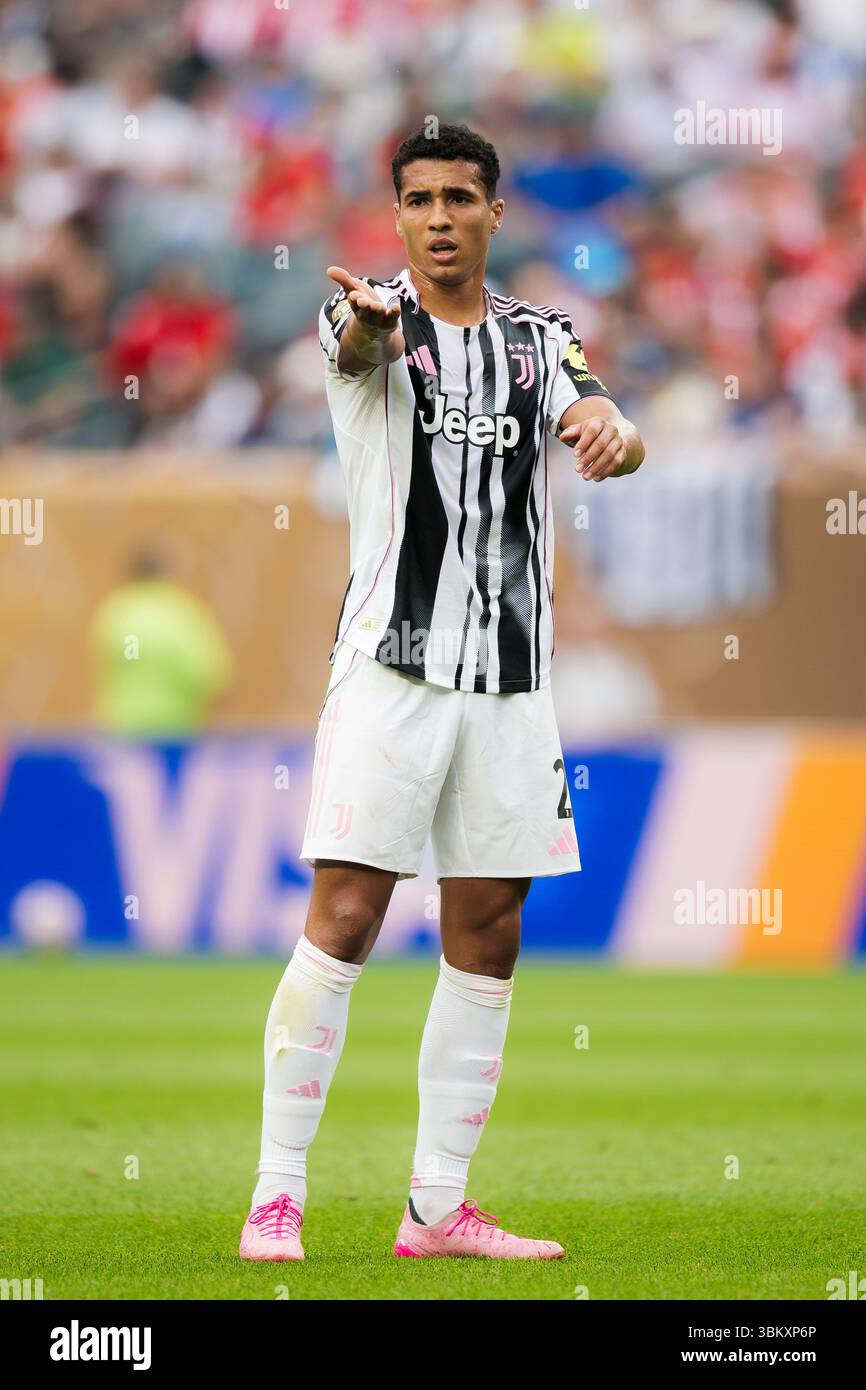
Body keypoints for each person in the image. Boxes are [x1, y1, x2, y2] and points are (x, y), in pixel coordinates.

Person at [239, 124, 644, 1263]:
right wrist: (366, 322)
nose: (436, 217)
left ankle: (436, 1205)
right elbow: (348, 346)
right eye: (416, 199)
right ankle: (277, 1193)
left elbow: (607, 414)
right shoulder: (364, 319)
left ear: (493, 212)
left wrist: (617, 430)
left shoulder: (539, 336)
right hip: (391, 672)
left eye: (458, 197)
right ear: (398, 213)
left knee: (488, 932)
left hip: (513, 685)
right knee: (349, 918)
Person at [89, 550, 235, 737]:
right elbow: (211, 677)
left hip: (119, 730)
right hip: (173, 732)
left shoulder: (115, 611)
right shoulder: (182, 614)